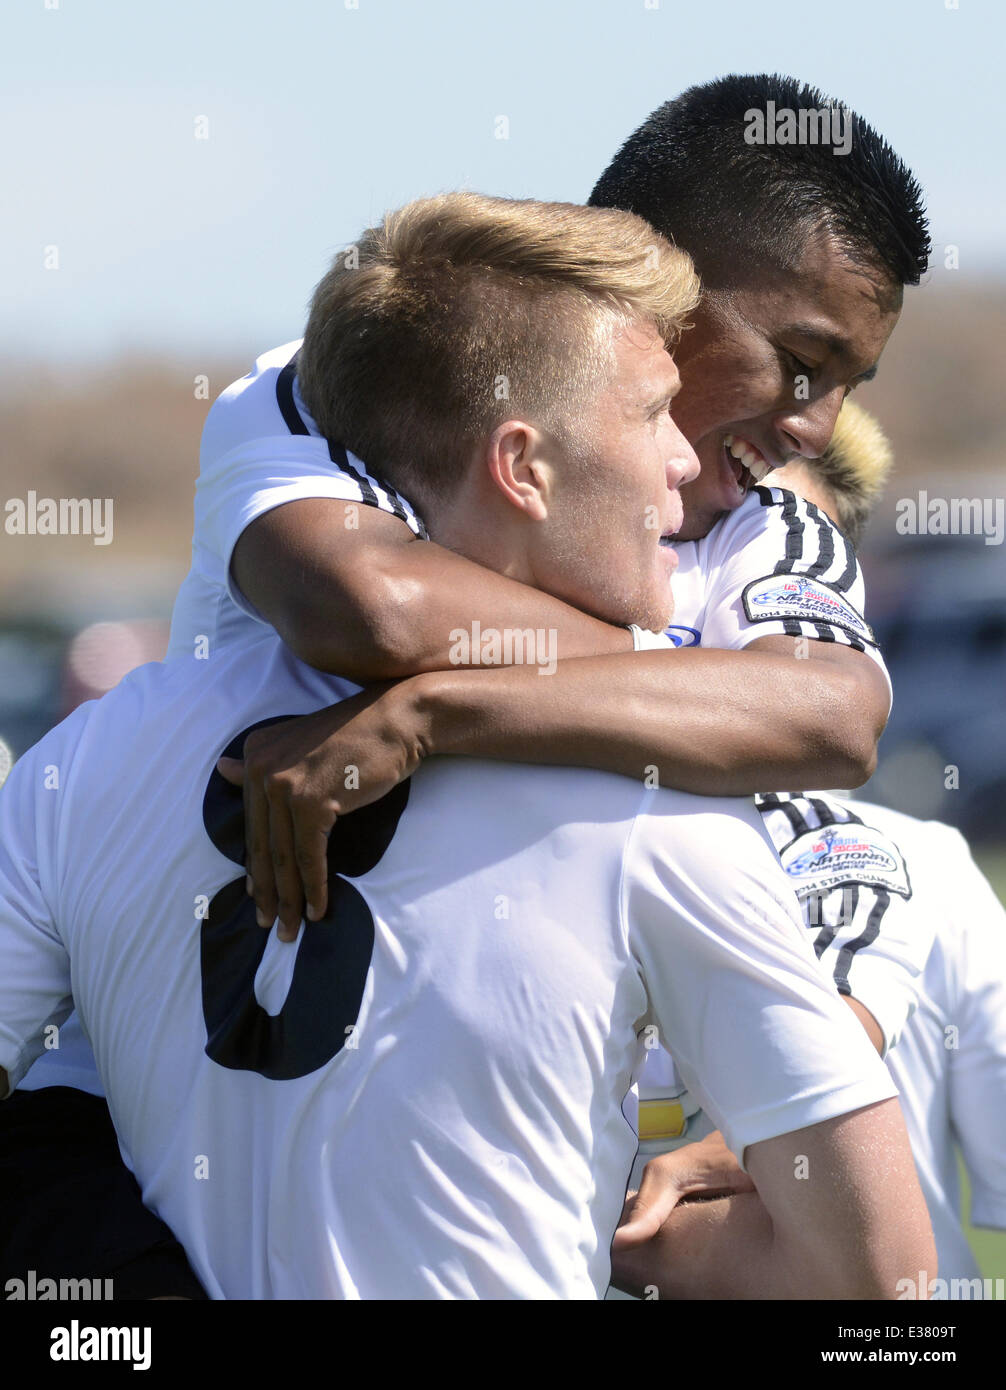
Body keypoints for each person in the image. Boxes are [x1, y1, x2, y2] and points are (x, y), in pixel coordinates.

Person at [0, 194, 932, 1299]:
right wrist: (619, 1231)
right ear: (523, 465)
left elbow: (824, 712)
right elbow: (884, 1285)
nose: (683, 466)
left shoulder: (86, 758)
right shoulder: (658, 814)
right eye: (652, 414)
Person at [610, 407, 1006, 1299]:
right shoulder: (568, 845)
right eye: (716, 543)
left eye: (787, 555)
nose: (748, 581)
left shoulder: (920, 871)